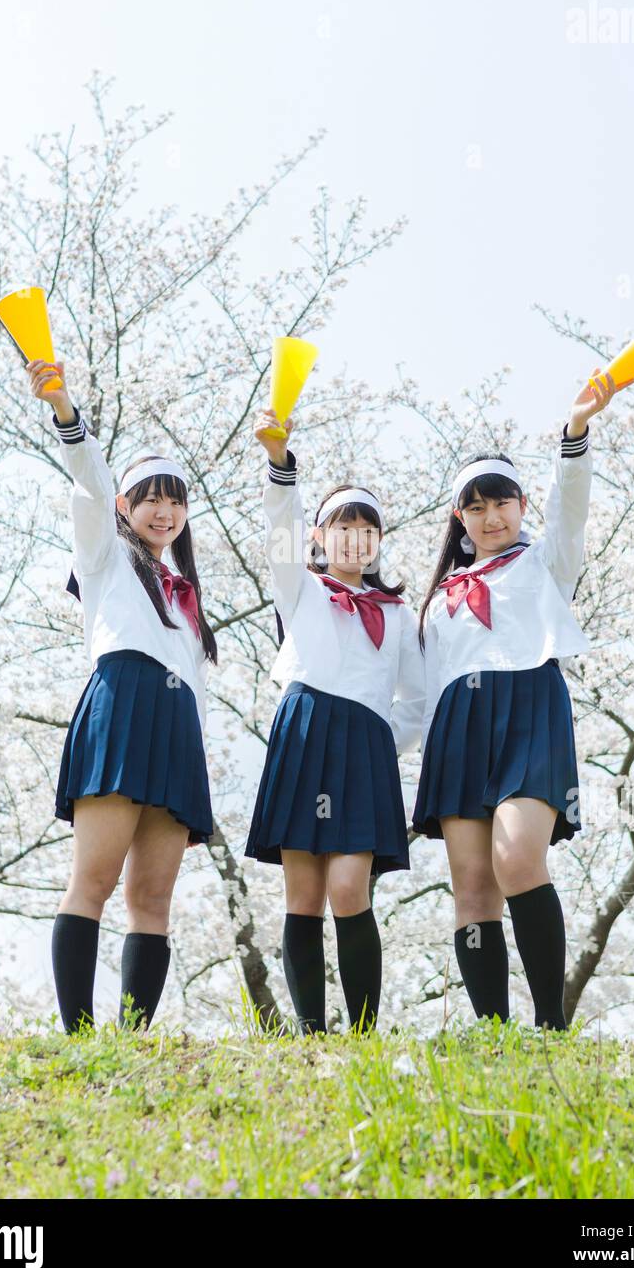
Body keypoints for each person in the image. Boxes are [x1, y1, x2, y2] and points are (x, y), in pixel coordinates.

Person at [413, 367, 634, 1030]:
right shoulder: (437, 601)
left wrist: (576, 431)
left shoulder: (545, 563)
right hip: (457, 726)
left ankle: (550, 1025)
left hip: (529, 709)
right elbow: (418, 694)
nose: (490, 517)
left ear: (522, 505)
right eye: (475, 507)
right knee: (473, 889)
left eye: (501, 502)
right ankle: (493, 1033)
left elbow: (573, 505)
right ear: (460, 518)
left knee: (517, 858)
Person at [27, 357, 218, 1034]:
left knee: (153, 895)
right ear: (124, 507)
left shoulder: (187, 595)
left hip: (176, 728)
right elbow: (89, 476)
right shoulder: (104, 556)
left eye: (175, 500)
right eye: (148, 498)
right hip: (120, 705)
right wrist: (65, 411)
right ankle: (79, 1034)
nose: (163, 511)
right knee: (96, 880)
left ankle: (132, 1039)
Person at [246, 406, 426, 1035]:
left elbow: (418, 702)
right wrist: (279, 465)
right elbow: (280, 528)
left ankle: (366, 1031)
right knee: (302, 893)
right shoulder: (300, 589)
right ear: (319, 538)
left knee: (351, 888)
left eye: (367, 530)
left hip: (364, 750)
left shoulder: (399, 615)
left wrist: (381, 743)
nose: (354, 539)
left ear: (380, 542)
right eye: (341, 528)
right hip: (304, 733)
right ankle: (310, 1031)